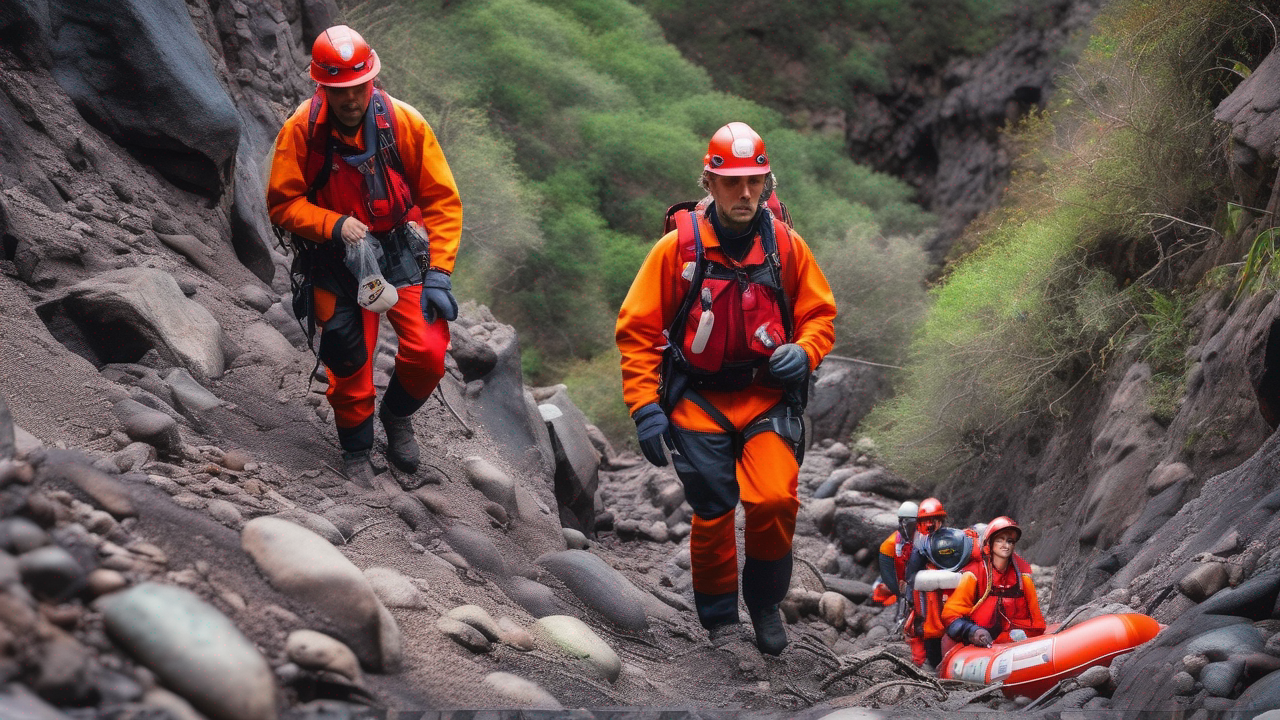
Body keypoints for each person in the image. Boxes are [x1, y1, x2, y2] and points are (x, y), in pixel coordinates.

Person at [615, 121, 837, 655]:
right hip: (699, 398)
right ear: (709, 183)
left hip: (765, 398)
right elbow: (638, 331)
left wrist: (803, 353)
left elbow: (820, 317)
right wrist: (645, 406)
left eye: (754, 181)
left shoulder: (787, 248)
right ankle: (719, 622)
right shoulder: (677, 251)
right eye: (732, 180)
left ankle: (763, 602)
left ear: (767, 182)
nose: (744, 192)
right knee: (713, 509)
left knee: (775, 498)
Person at [267, 25, 462, 487]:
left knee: (430, 353)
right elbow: (281, 204)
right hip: (334, 258)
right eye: (339, 90)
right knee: (348, 359)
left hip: (396, 246)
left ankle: (395, 417)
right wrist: (333, 224)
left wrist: (439, 272)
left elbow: (442, 202)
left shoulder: (404, 123)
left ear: (370, 79)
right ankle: (356, 451)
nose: (351, 98)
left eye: (358, 86)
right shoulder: (301, 130)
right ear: (321, 85)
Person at [942, 516, 1046, 647]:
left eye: (1010, 541)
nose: (1006, 545)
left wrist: (1022, 635)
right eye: (1000, 540)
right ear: (990, 544)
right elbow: (950, 615)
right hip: (976, 642)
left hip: (1009, 641)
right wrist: (973, 631)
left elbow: (1037, 621)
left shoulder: (1022, 578)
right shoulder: (974, 575)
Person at [903, 521, 972, 669]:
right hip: (931, 623)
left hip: (954, 621)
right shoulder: (921, 554)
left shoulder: (960, 542)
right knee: (928, 644)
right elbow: (911, 579)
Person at [877, 500, 927, 663]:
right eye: (905, 523)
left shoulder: (925, 539)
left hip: (923, 585)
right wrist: (899, 592)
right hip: (903, 586)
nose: (908, 528)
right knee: (902, 613)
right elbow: (886, 572)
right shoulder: (890, 544)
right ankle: (902, 641)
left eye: (912, 524)